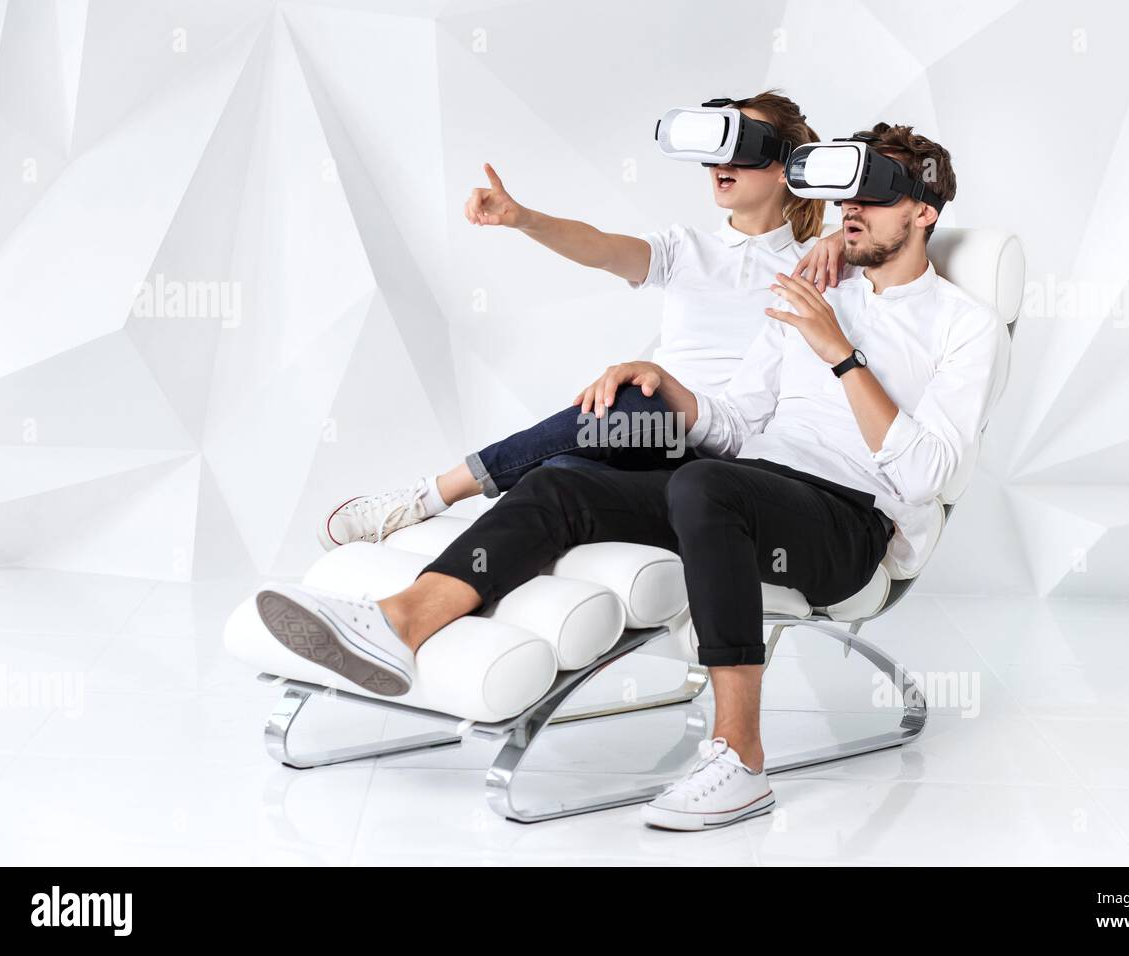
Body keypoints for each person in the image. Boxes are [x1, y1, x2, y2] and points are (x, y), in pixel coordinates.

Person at [259, 122, 1007, 832]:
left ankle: (740, 757)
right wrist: (668, 387)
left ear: (922, 213)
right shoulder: (818, 291)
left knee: (706, 487)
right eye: (847, 196)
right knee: (565, 482)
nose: (852, 212)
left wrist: (841, 354)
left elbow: (926, 475)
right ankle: (400, 622)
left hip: (847, 525)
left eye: (873, 199)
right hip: (749, 487)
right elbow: (739, 422)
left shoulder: (961, 326)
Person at [317, 91, 844, 548]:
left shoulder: (815, 264)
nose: (721, 165)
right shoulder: (686, 248)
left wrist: (841, 237)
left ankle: (427, 496)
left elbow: (890, 242)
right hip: (648, 436)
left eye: (744, 149)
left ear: (784, 167)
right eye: (716, 149)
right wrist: (521, 218)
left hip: (725, 452)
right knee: (559, 474)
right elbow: (600, 247)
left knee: (637, 393)